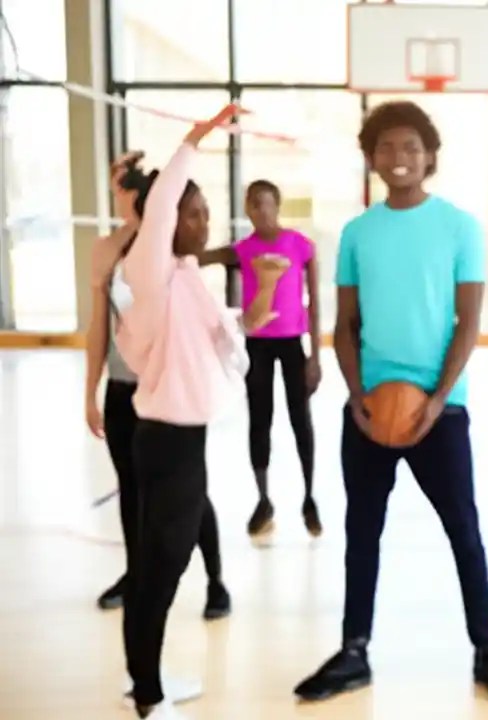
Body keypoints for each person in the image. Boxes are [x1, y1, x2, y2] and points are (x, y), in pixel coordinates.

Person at [293, 100, 488, 704]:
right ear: (370, 157)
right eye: (387, 147)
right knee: (361, 532)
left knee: (464, 532)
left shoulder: (459, 227)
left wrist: (437, 398)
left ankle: (486, 650)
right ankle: (353, 651)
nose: (400, 158)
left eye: (411, 147)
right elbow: (344, 326)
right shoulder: (356, 233)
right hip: (369, 409)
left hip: (439, 411)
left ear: (430, 157)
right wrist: (357, 397)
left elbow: (468, 322)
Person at [112, 105, 256, 719]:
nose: (201, 223)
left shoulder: (189, 279)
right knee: (158, 574)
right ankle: (147, 695)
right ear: (164, 225)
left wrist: (264, 305)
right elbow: (164, 201)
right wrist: (194, 141)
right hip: (165, 442)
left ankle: (148, 675)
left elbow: (230, 347)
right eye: (192, 214)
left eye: (203, 214)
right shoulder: (151, 273)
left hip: (186, 442)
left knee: (160, 567)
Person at [86, 158, 231, 626]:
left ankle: (215, 580)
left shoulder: (167, 250)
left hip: (168, 393)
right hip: (125, 386)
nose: (126, 199)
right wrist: (91, 390)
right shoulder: (110, 250)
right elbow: (97, 326)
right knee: (133, 488)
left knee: (193, 493)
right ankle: (138, 575)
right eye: (121, 192)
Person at [200, 179, 323, 537]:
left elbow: (314, 304)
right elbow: (200, 258)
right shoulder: (243, 250)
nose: (261, 211)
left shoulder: (301, 246)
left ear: (278, 205)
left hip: (291, 344)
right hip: (259, 346)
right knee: (260, 419)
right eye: (254, 205)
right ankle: (263, 499)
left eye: (267, 204)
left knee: (301, 419)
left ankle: (309, 497)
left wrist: (315, 356)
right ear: (247, 209)